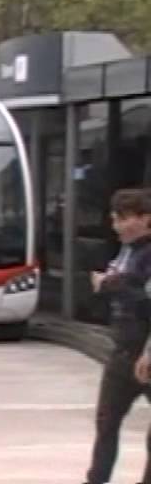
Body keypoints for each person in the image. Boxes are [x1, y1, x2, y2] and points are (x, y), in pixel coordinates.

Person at [84, 188, 151, 484]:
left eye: (123, 219)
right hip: (122, 351)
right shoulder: (126, 250)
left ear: (145, 219)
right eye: (114, 219)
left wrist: (109, 284)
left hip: (144, 348)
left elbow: (139, 294)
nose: (116, 226)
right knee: (106, 422)